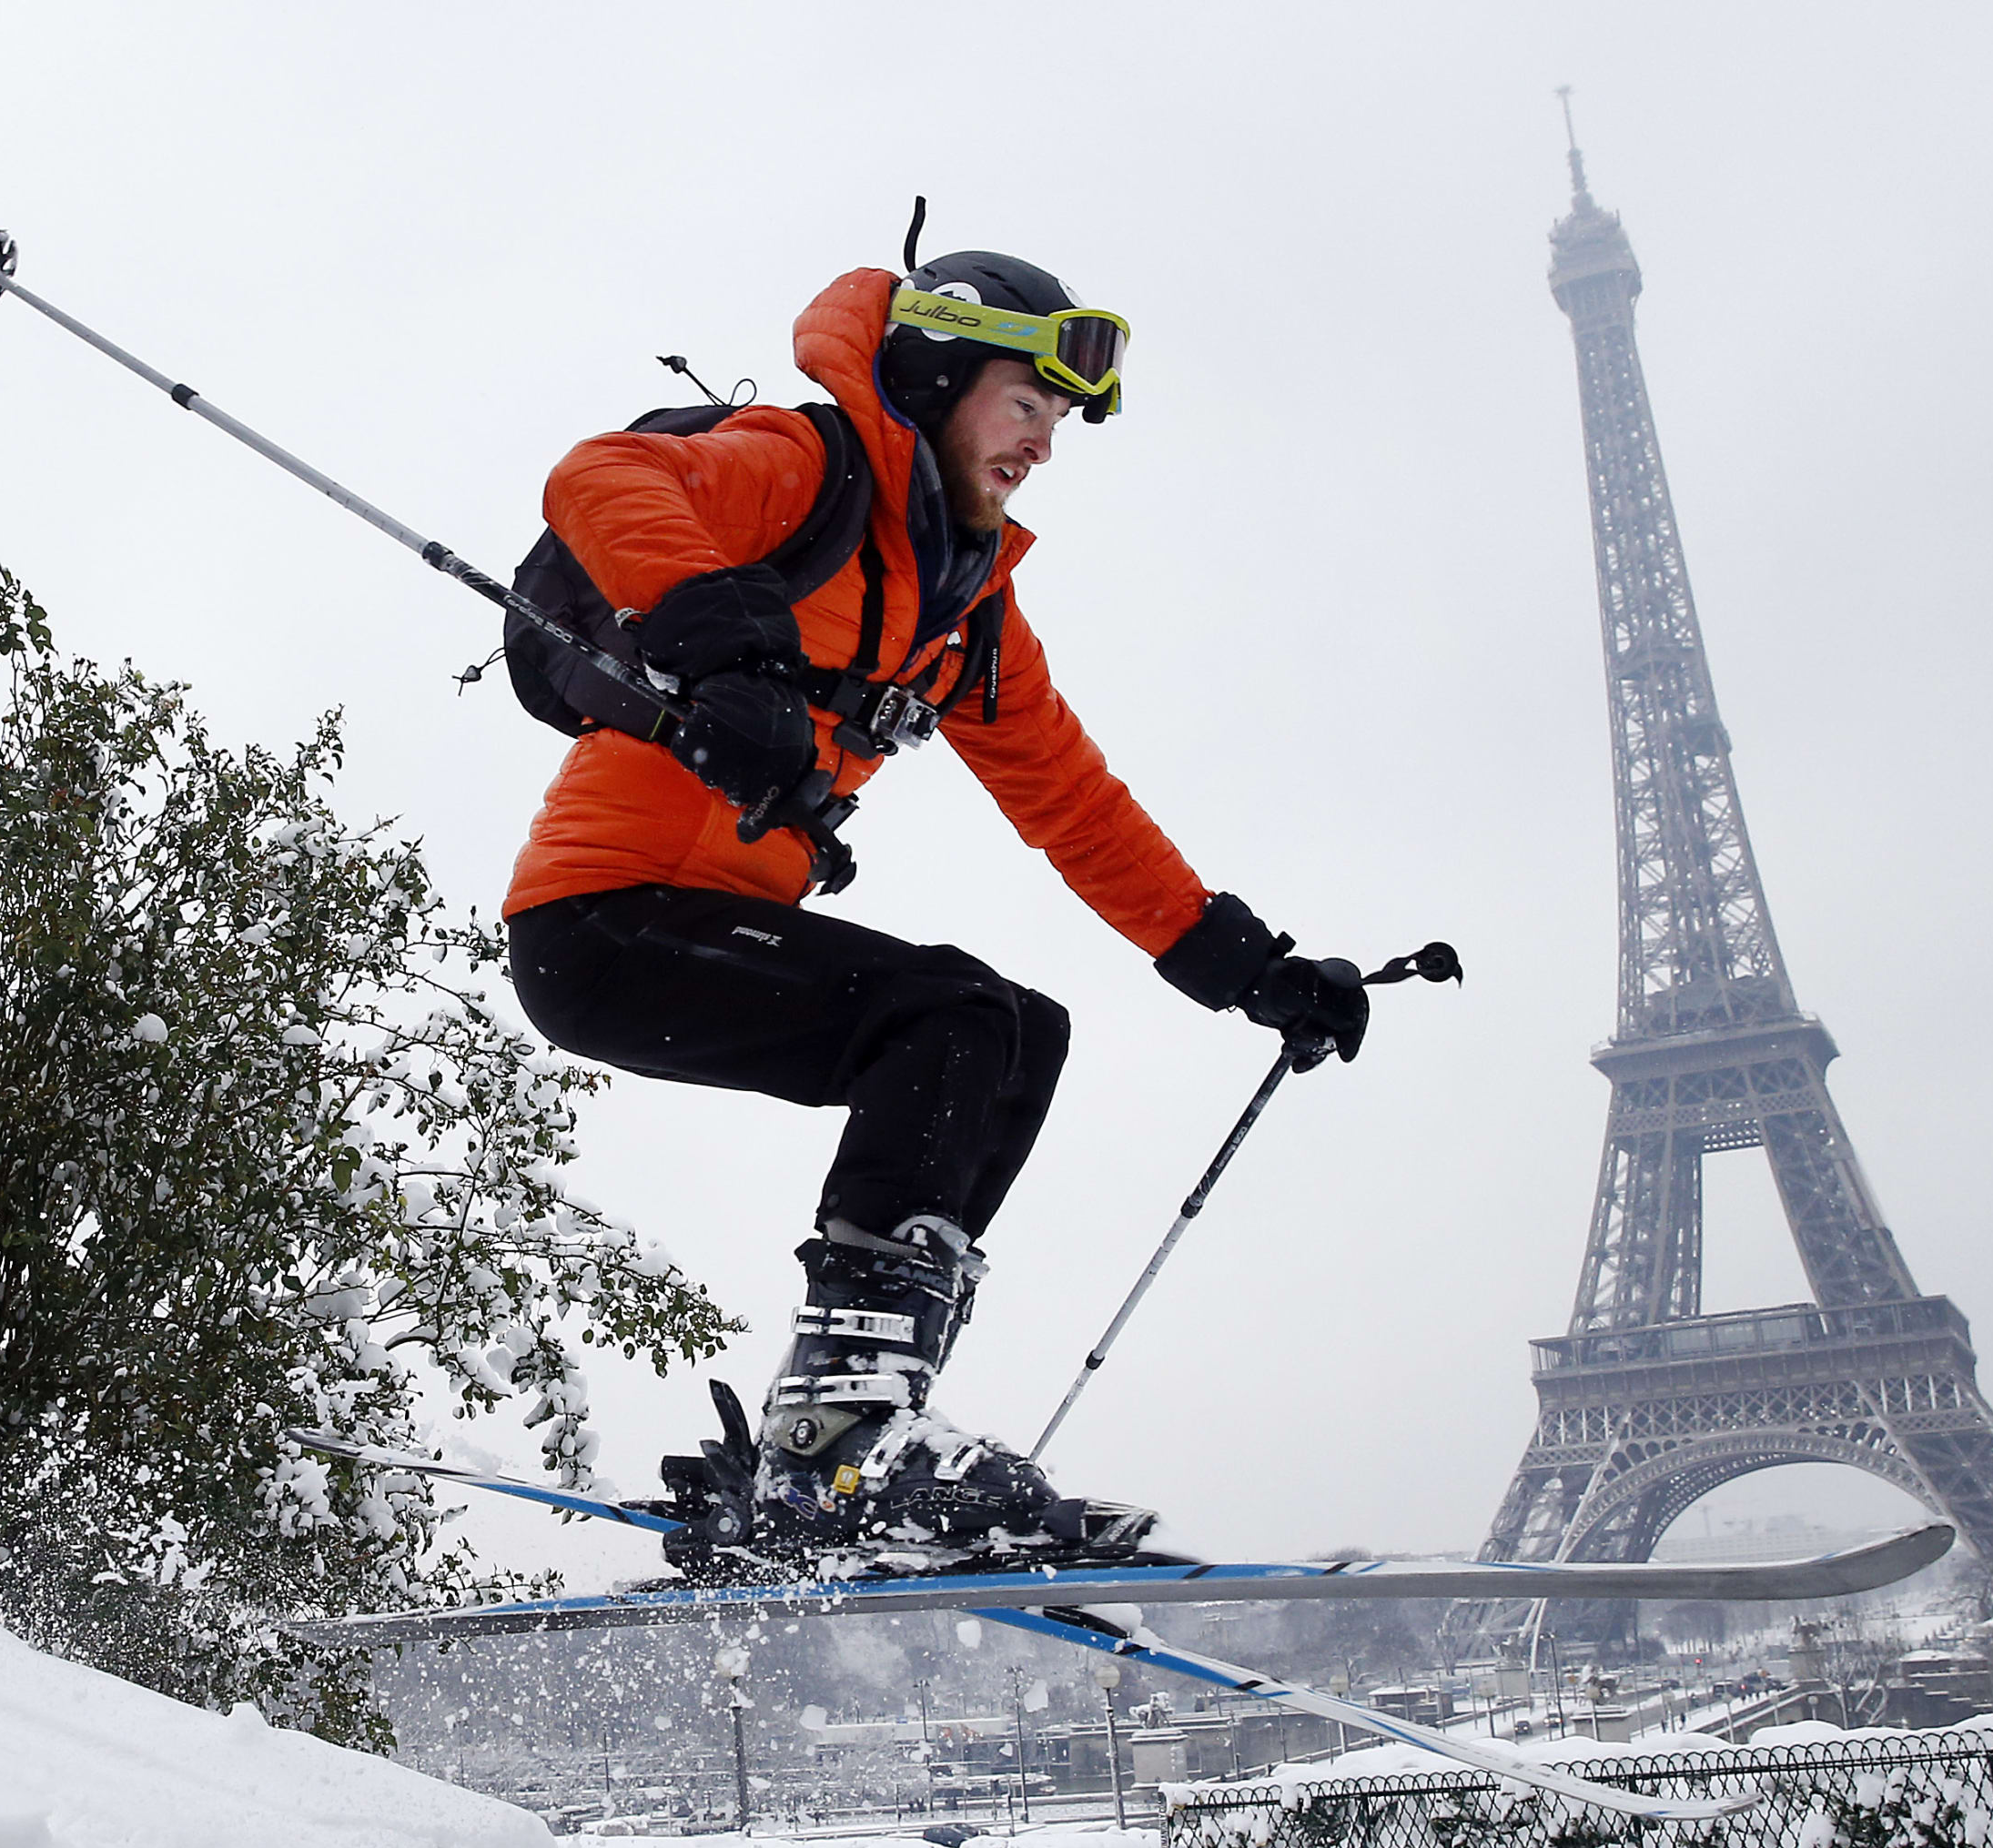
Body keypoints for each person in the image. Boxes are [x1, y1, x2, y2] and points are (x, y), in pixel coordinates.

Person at [501, 237, 1369, 1568]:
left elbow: (1074, 805)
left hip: (708, 924)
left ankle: (856, 1431)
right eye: (1026, 404)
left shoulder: (965, 614)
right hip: (602, 920)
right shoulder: (808, 469)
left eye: (1060, 423)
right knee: (950, 1014)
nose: (1043, 446)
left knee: (1019, 1033)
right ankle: (837, 1434)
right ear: (940, 374)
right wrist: (723, 651)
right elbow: (599, 478)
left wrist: (1246, 967)